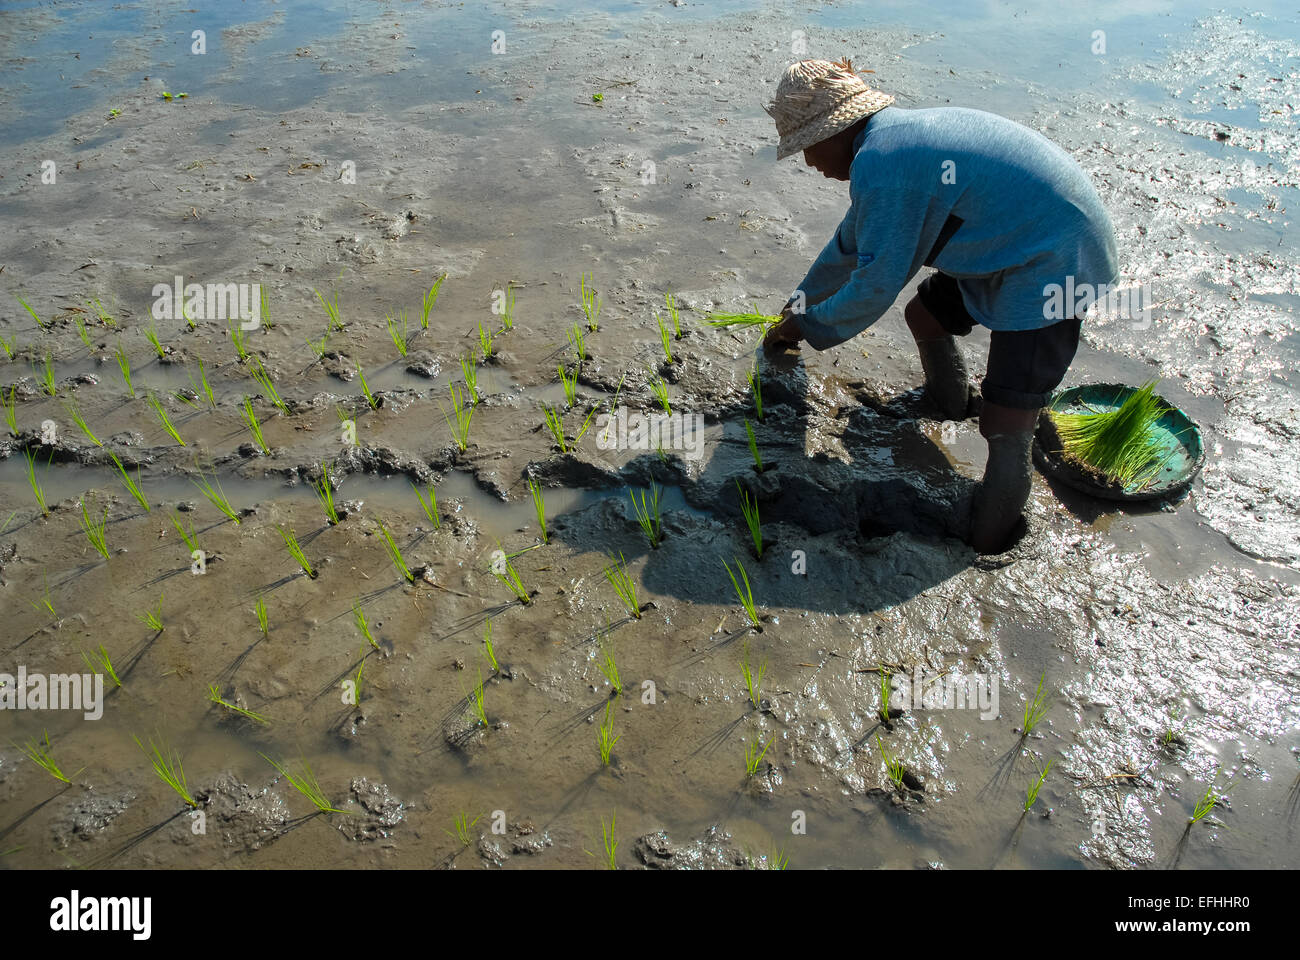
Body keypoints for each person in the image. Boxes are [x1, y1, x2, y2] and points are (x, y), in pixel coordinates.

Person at [761, 58, 1119, 553]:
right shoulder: (890, 143)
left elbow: (871, 289)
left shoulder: (884, 163)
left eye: (806, 148)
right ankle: (946, 403)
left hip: (1054, 263)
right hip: (1013, 243)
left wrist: (802, 327)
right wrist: (794, 306)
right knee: (925, 314)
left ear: (834, 132)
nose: (808, 163)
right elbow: (847, 248)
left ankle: (987, 543)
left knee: (1007, 422)